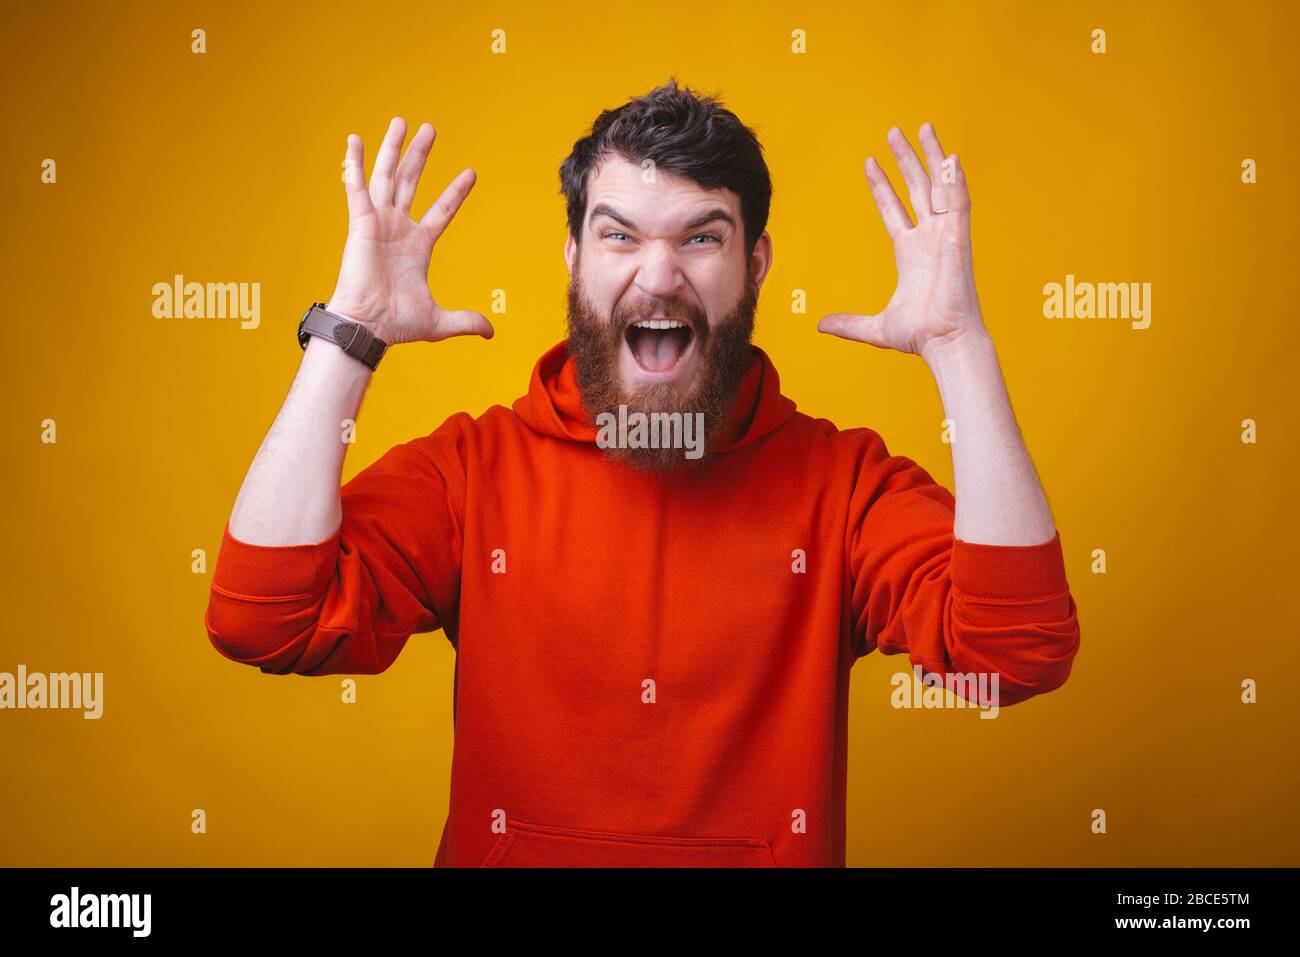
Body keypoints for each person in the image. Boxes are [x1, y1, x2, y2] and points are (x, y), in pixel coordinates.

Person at [204, 78, 1080, 867]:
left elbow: (1015, 654)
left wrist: (959, 350)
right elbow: (263, 619)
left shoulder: (842, 486)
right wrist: (352, 329)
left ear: (756, 265)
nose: (658, 276)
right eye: (619, 235)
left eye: (703, 236)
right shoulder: (476, 469)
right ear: (575, 260)